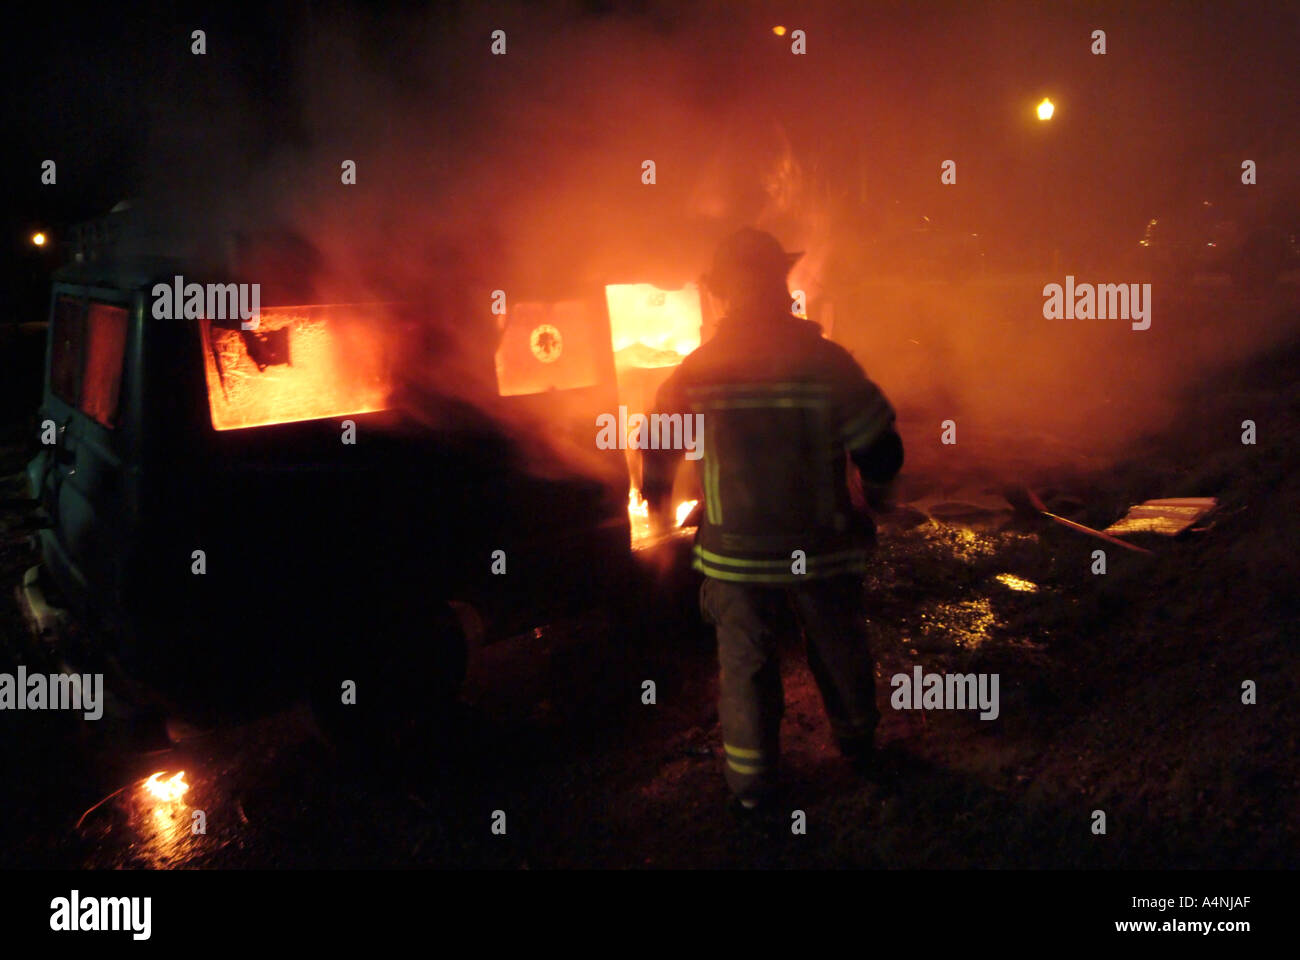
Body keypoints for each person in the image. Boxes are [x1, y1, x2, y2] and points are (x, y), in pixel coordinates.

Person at [641, 228, 903, 810]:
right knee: (838, 645)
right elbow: (881, 447)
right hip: (823, 546)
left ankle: (754, 787)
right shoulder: (827, 363)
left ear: (720, 291)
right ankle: (860, 746)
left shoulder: (699, 370)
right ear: (780, 282)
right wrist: (876, 498)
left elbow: (657, 447)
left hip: (735, 554)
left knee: (746, 663)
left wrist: (659, 514)